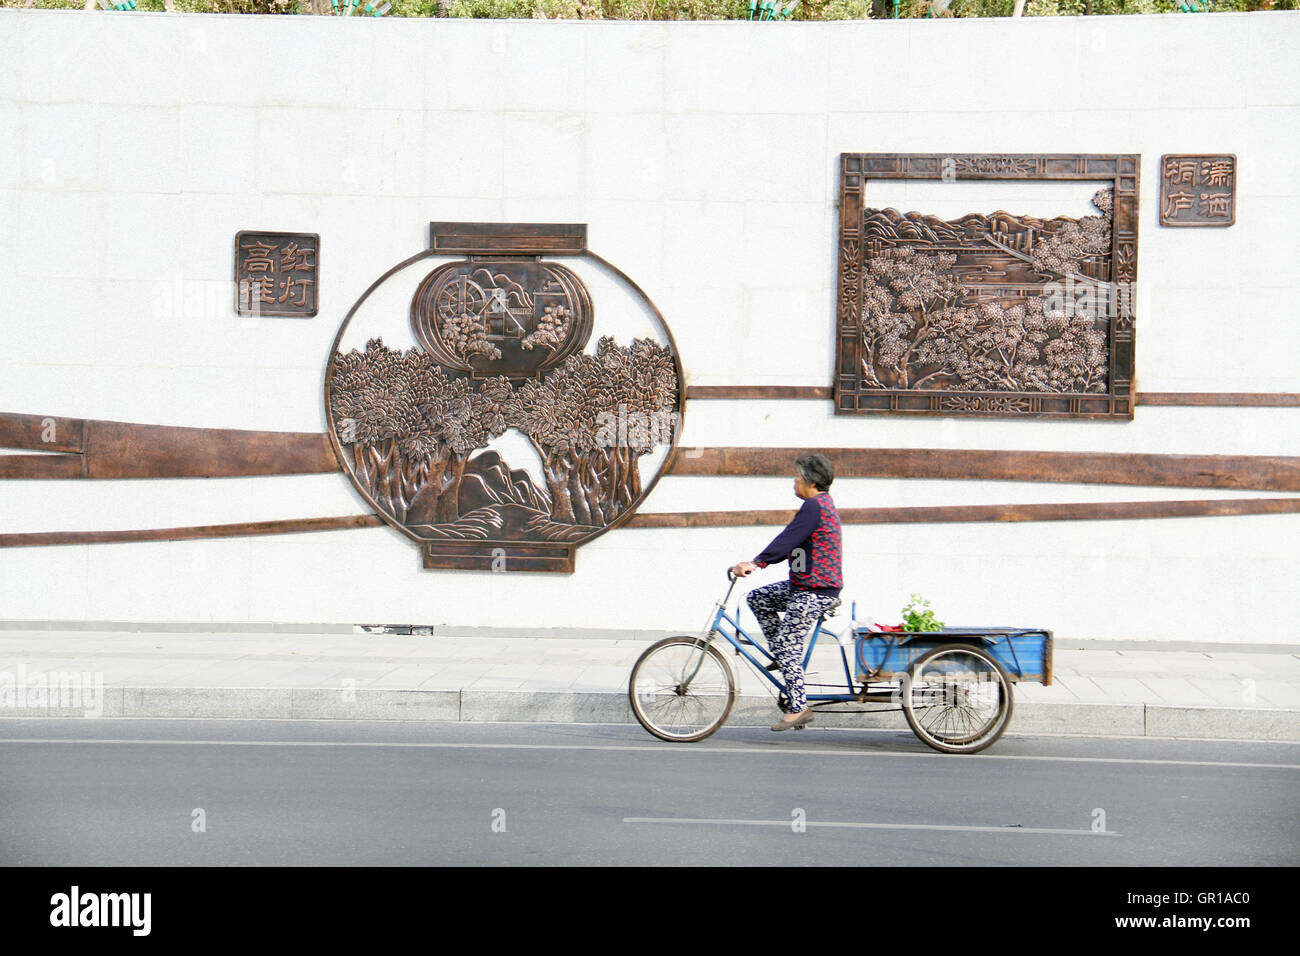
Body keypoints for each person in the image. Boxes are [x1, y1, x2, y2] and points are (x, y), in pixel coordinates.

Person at [730, 453, 843, 732]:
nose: (794, 480)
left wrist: (755, 563)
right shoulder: (816, 505)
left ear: (811, 481)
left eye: (797, 475)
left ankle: (799, 706)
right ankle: (784, 661)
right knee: (759, 598)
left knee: (785, 642)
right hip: (804, 585)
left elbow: (787, 539)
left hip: (817, 590)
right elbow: (791, 541)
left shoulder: (815, 506)